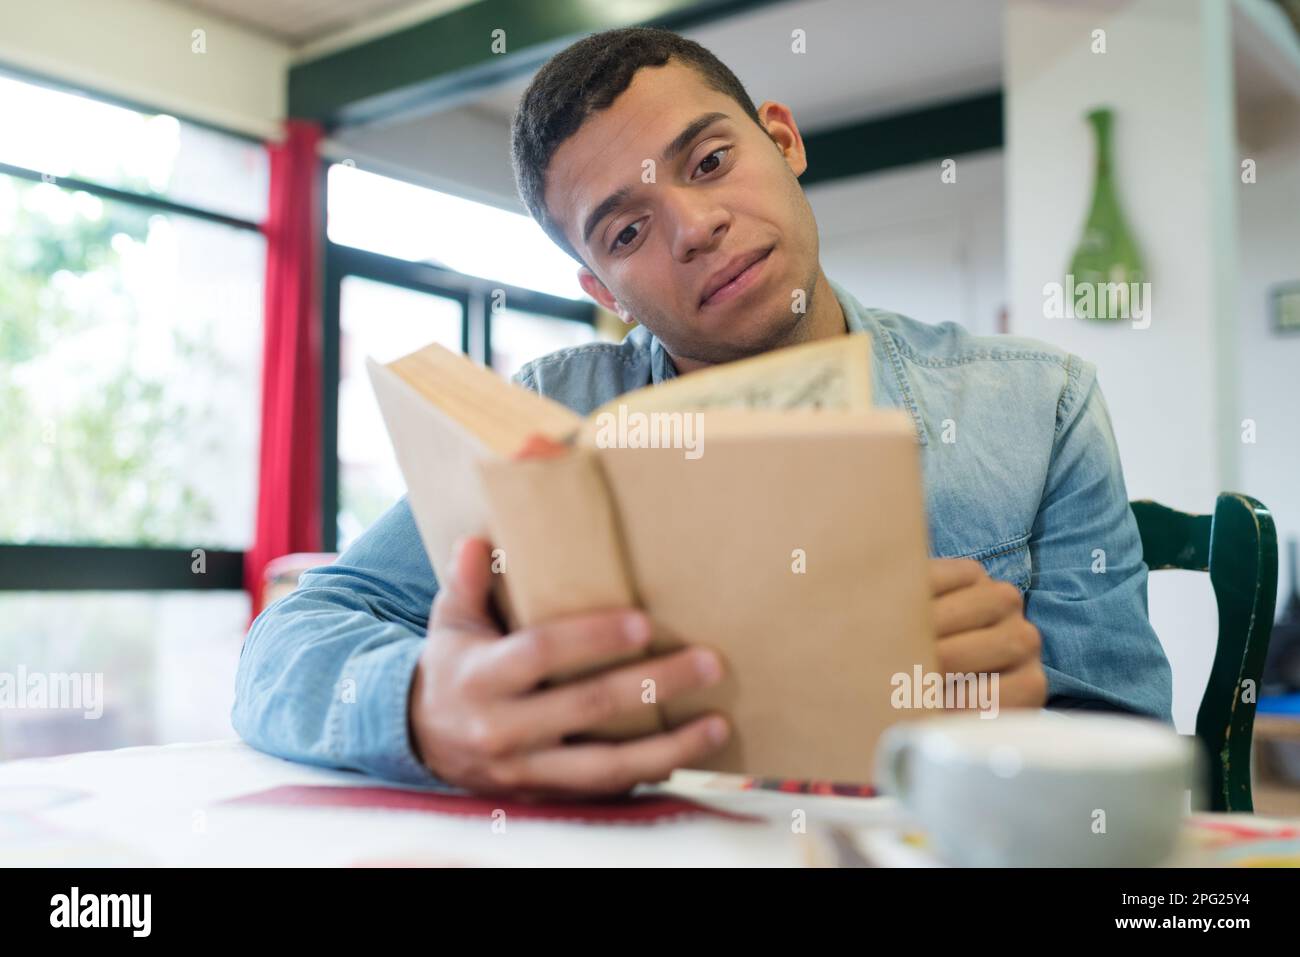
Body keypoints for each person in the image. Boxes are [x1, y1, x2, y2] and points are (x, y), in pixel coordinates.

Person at [233, 26, 1173, 797]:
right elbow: (287, 642)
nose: (694, 227)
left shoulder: (1037, 403)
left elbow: (1143, 763)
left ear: (785, 140)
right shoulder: (546, 413)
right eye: (629, 231)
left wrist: (1006, 739)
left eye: (712, 160)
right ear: (600, 285)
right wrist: (424, 707)